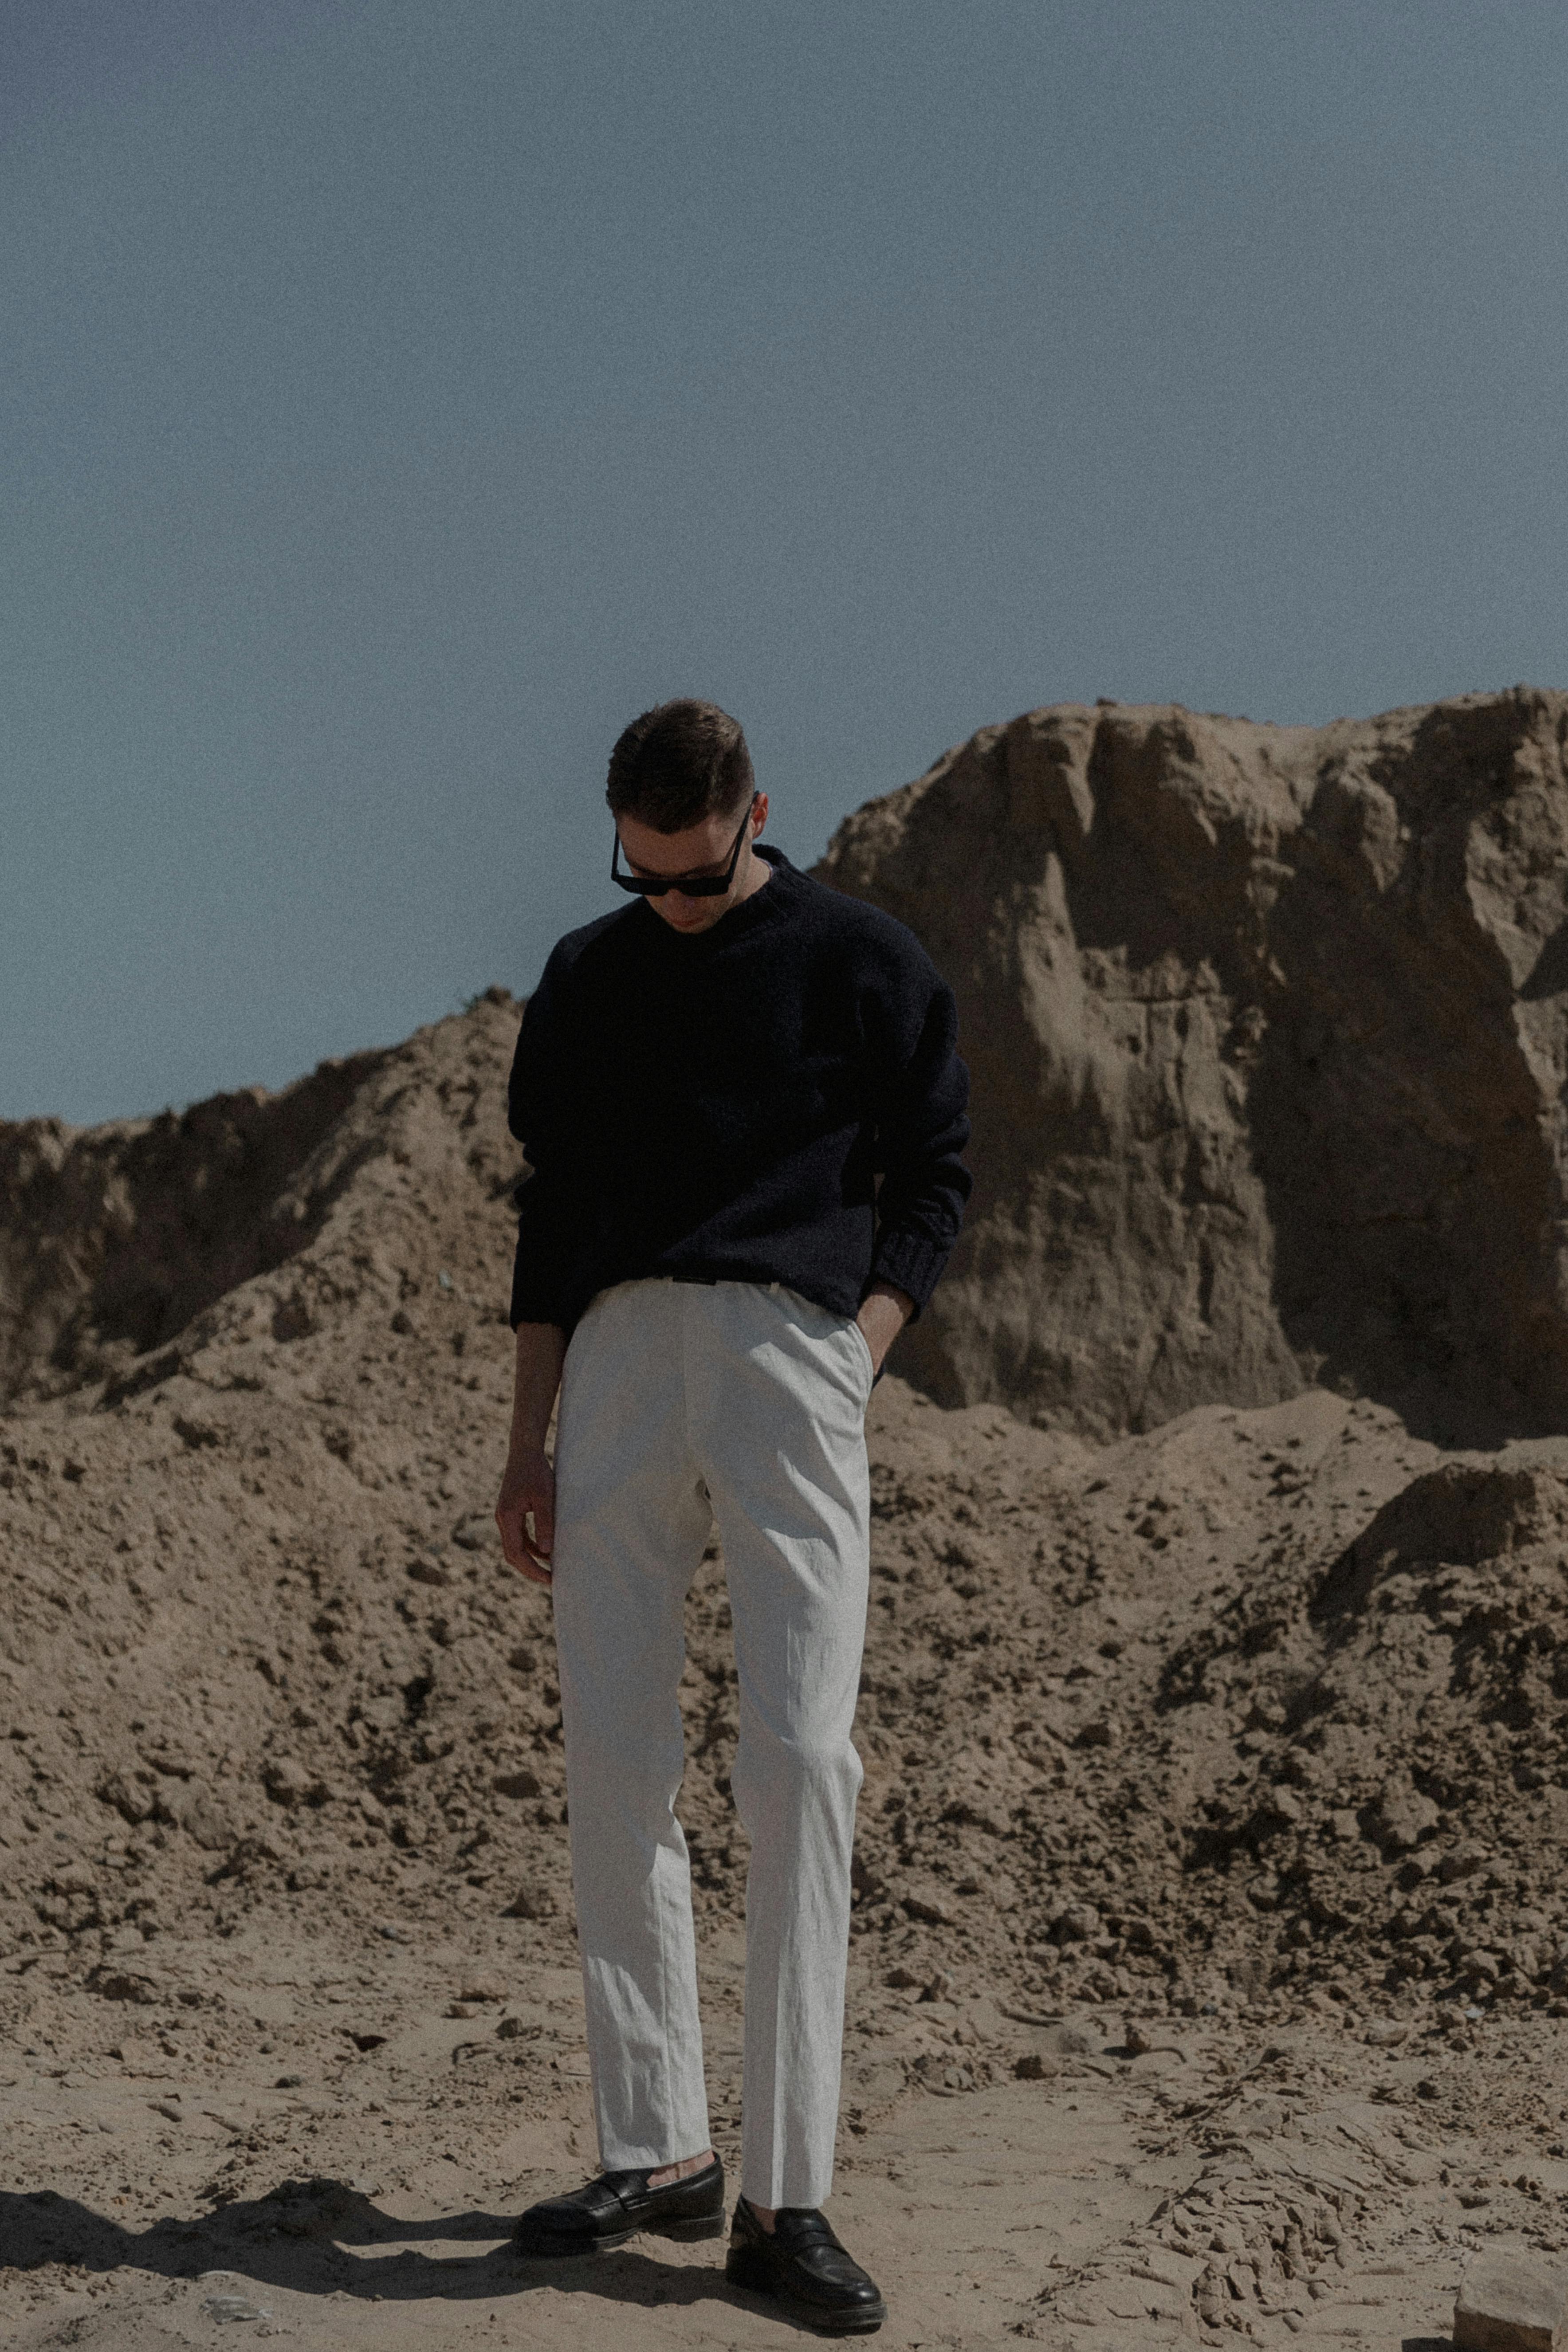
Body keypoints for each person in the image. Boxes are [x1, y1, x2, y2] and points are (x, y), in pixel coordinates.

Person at [495, 699, 970, 2335]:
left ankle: (787, 2198)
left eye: (697, 877)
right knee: (615, 1757)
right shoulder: (585, 975)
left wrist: (857, 1355)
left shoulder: (861, 958)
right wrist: (527, 1439)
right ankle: (660, 2142)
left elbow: (939, 1169)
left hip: (792, 1354)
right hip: (619, 1352)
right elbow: (549, 1211)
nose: (672, 905)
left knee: (800, 1762)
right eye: (644, 879)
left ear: (758, 812)